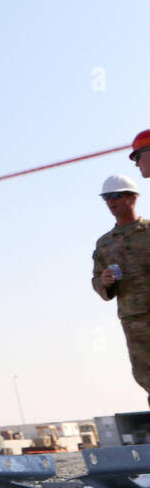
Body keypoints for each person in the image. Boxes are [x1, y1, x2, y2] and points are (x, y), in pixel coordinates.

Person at [91, 175, 150, 409]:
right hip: (134, 320)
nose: (111, 202)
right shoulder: (105, 243)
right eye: (106, 198)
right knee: (145, 375)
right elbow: (96, 280)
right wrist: (103, 281)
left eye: (116, 196)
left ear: (132, 197)